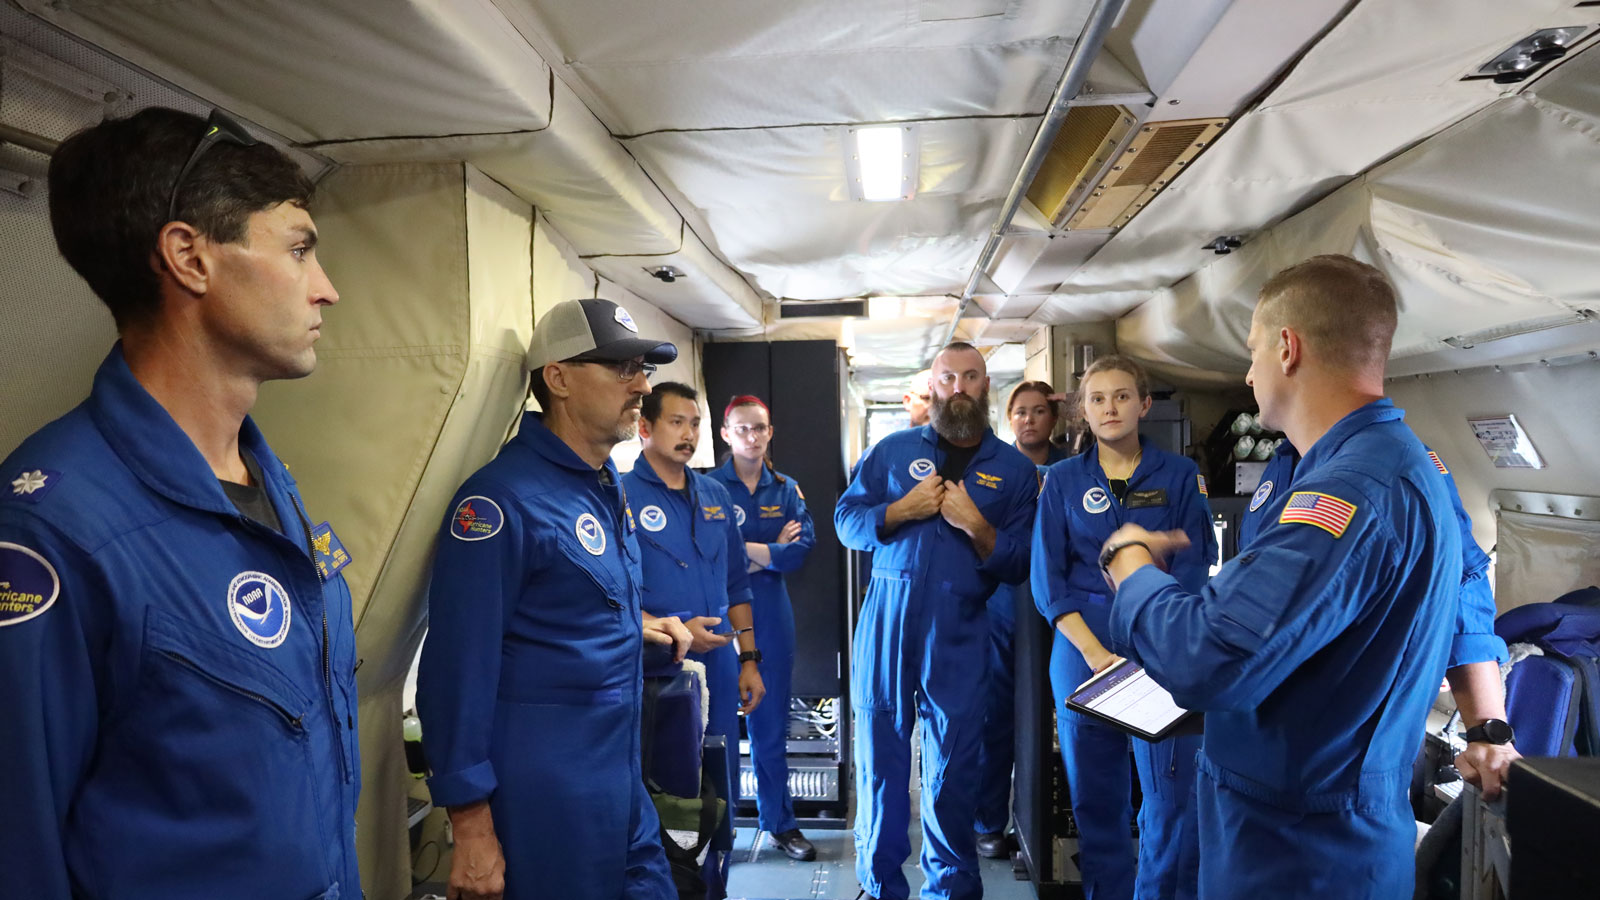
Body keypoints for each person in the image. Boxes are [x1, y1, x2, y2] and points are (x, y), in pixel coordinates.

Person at [0, 107, 359, 899]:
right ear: (189, 258)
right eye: (299, 249)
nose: (326, 291)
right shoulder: (52, 530)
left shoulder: (267, 481)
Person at [1098, 255, 1461, 898]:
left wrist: (1130, 563)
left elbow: (1210, 656)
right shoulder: (1390, 464)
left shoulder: (1351, 492)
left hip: (1301, 850)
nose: (1248, 372)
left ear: (1288, 349)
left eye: (1254, 351)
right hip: (1311, 826)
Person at [418, 298, 690, 900]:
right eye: (622, 369)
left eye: (642, 368)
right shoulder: (500, 503)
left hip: (619, 780)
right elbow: (456, 670)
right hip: (546, 799)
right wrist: (470, 825)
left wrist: (638, 631)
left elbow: (571, 611)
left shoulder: (601, 482)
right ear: (559, 378)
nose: (642, 385)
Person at [836, 341, 1039, 900]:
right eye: (948, 378)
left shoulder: (1015, 472)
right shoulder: (892, 450)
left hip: (961, 627)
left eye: (971, 377)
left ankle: (949, 890)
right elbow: (845, 522)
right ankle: (879, 887)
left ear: (985, 387)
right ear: (932, 385)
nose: (959, 388)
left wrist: (978, 526)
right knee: (880, 765)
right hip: (885, 620)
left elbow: (1023, 562)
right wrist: (902, 509)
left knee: (952, 770)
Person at [1029, 359, 1215, 900]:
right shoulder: (1061, 480)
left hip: (1160, 649)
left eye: (1122, 397)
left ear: (1143, 404)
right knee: (1095, 799)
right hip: (1083, 651)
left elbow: (1194, 563)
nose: (1110, 408)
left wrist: (1157, 641)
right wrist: (1091, 651)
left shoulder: (1180, 475)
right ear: (1082, 410)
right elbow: (1049, 580)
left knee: (1168, 798)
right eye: (1098, 399)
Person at [1242, 441, 1520, 797]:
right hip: (1263, 744)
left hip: (1342, 763)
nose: (1248, 380)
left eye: (1254, 377)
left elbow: (1460, 583)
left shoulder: (1397, 461)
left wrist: (1486, 732)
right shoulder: (1283, 463)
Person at [625, 381, 765, 831]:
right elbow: (612, 596)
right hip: (657, 669)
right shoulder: (619, 495)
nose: (688, 434)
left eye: (695, 423)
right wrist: (674, 629)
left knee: (720, 784)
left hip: (721, 666)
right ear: (645, 427)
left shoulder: (715, 496)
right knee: (668, 789)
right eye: (676, 422)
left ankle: (715, 882)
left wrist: (749, 660)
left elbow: (738, 585)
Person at [709, 394, 819, 861]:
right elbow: (711, 562)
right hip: (719, 618)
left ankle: (781, 824)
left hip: (772, 618)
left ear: (770, 432)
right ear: (726, 434)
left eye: (759, 428)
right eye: (742, 429)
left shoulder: (786, 489)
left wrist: (748, 553)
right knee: (717, 731)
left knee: (771, 728)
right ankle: (721, 829)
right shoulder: (707, 489)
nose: (752, 437)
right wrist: (767, 551)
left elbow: (801, 550)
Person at [974, 381, 1073, 858]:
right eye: (1020, 412)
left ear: (1053, 419)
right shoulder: (992, 469)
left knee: (1050, 719)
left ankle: (1043, 823)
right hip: (1000, 602)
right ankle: (990, 820)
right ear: (1007, 418)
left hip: (1057, 604)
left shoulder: (1072, 472)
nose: (1029, 419)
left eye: (1039, 411)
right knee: (996, 716)